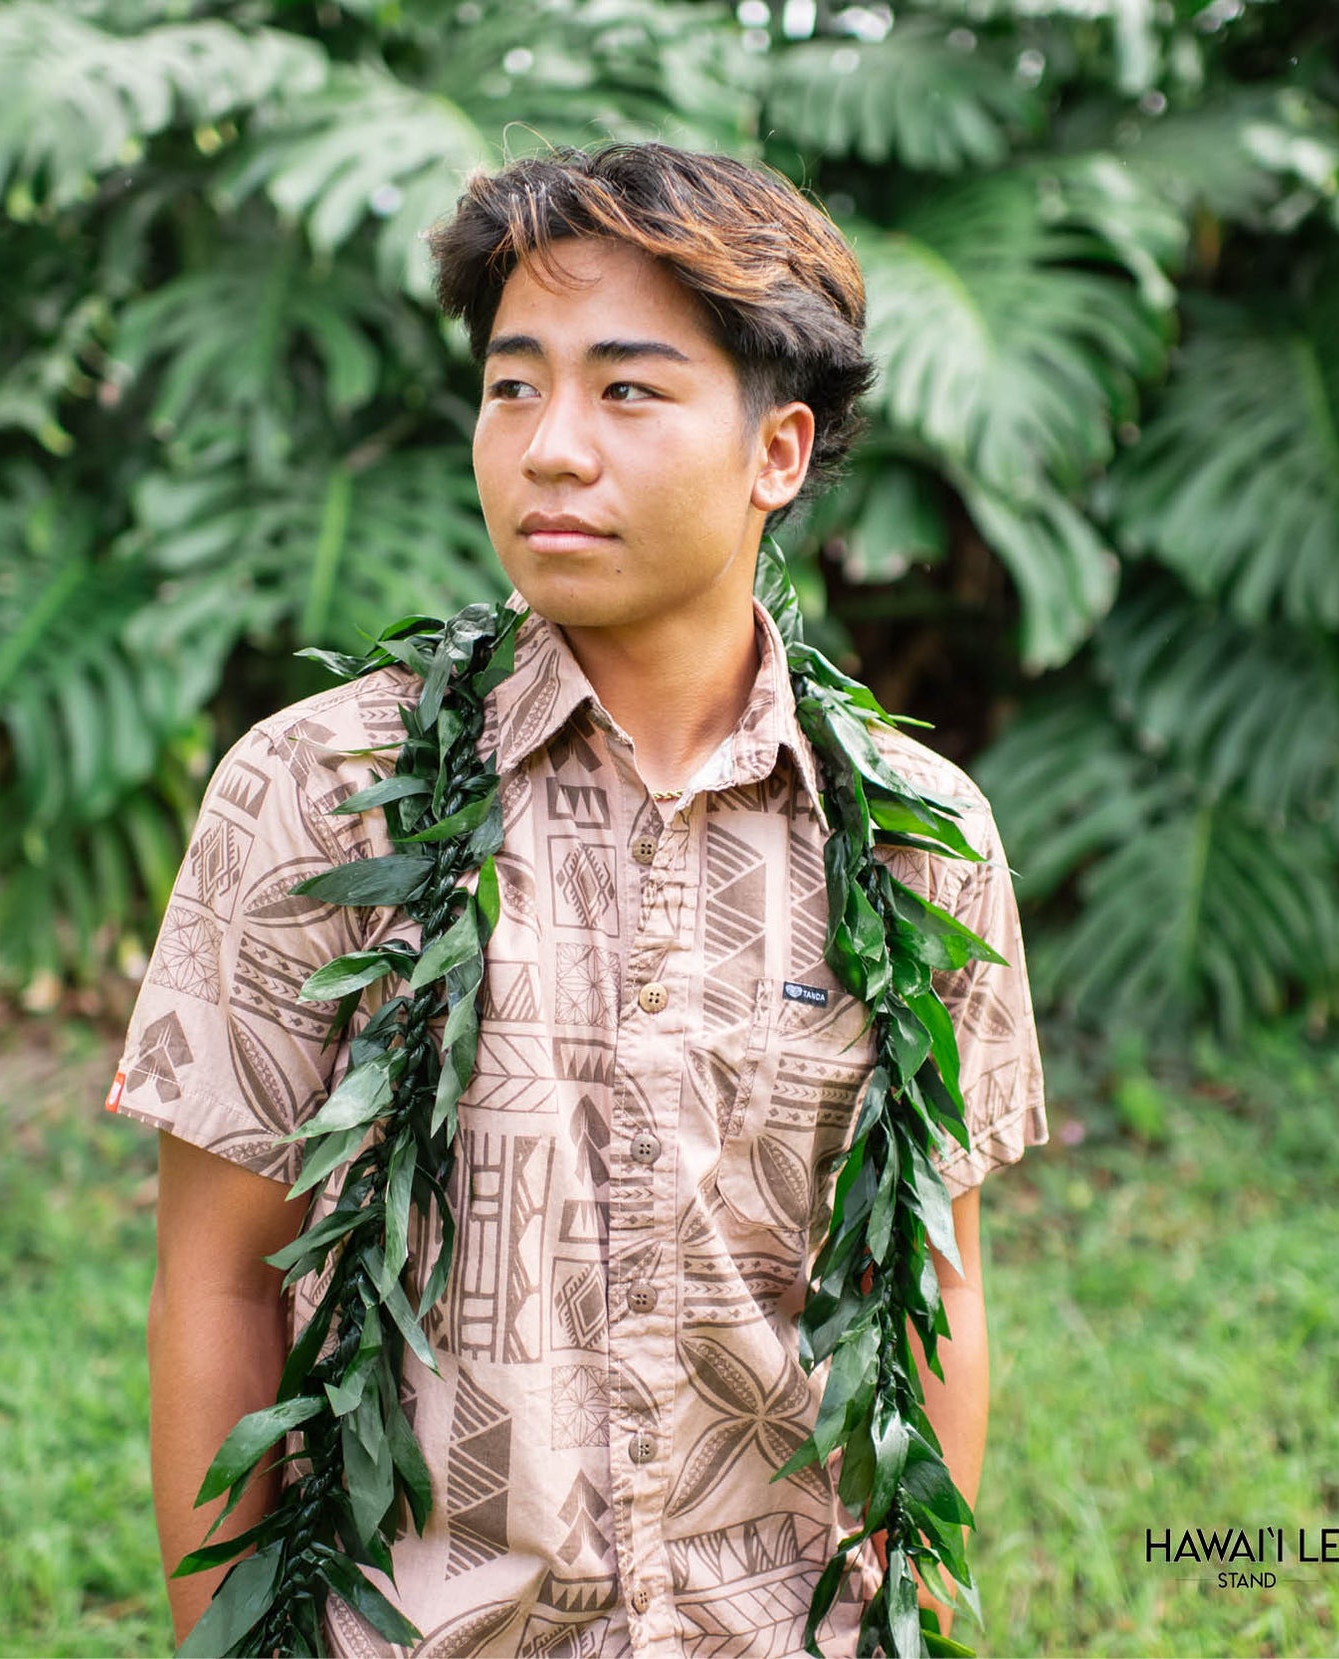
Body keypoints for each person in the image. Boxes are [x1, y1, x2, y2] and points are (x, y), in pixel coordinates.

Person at [107, 142, 1048, 1658]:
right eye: (512, 385)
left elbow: (932, 1285)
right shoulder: (316, 792)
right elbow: (216, 1278)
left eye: (626, 390)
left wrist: (910, 1618)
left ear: (779, 450)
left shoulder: (915, 838)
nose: (549, 447)